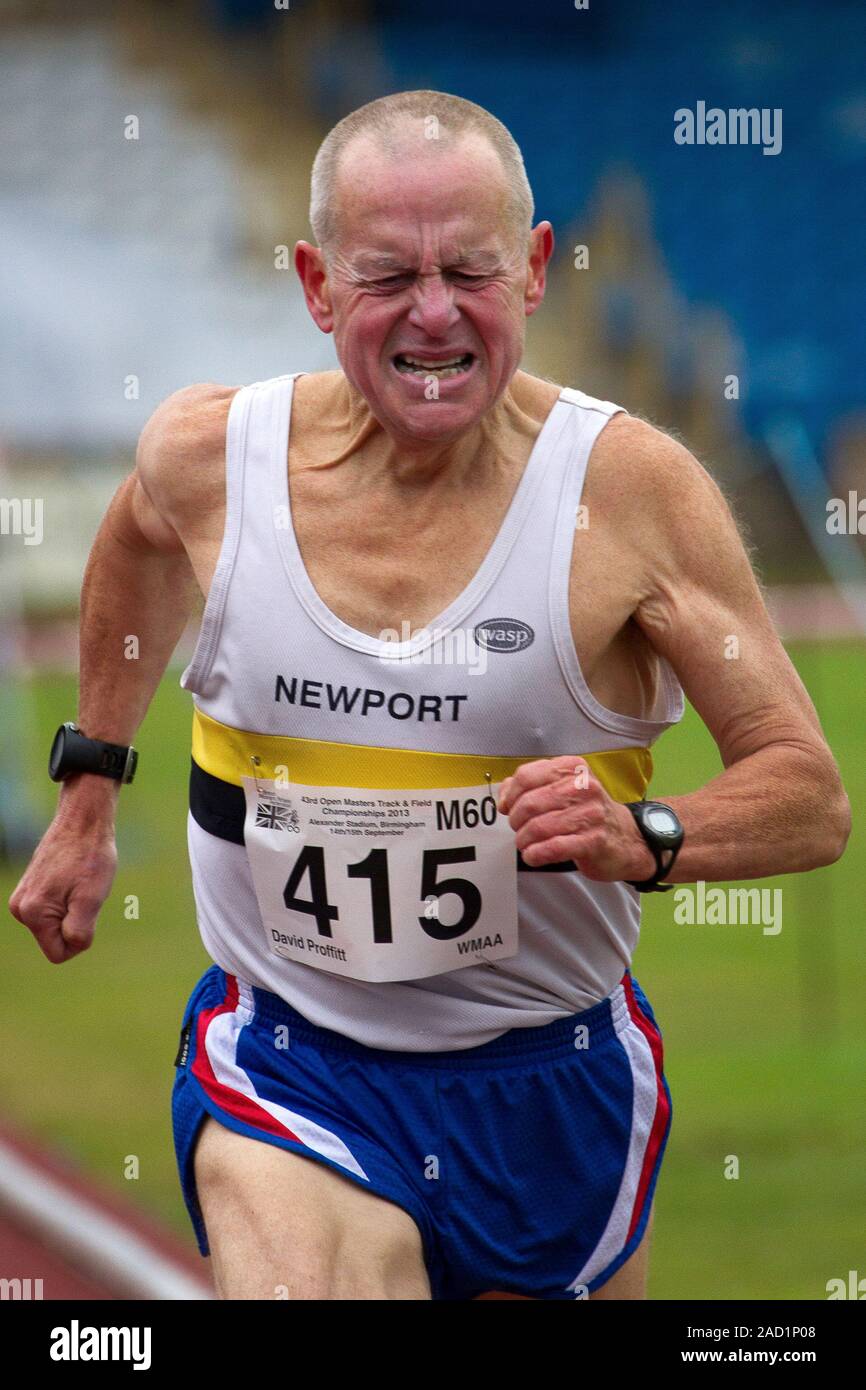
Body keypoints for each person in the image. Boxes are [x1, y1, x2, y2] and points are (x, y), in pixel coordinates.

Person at [9, 91, 850, 1301]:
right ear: (313, 284)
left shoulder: (630, 497)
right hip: (292, 1059)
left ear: (536, 270)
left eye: (470, 268)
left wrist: (643, 833)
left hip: (552, 1080)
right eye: (386, 275)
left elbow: (808, 798)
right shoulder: (212, 460)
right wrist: (89, 791)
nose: (435, 312)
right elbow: (137, 539)